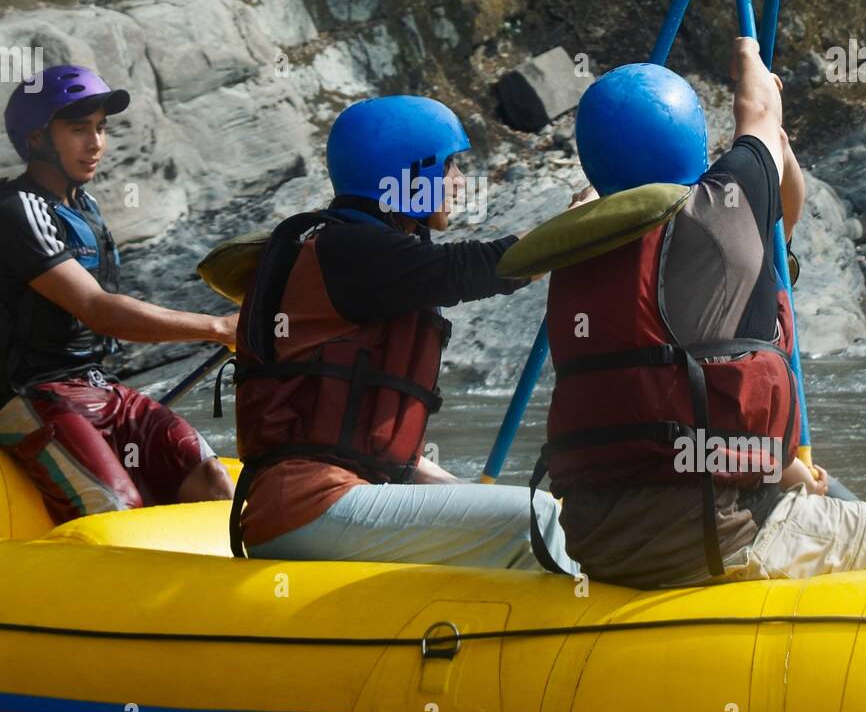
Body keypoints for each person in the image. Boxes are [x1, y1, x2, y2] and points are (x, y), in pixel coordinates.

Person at [541, 36, 866, 587]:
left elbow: (779, 208)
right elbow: (757, 114)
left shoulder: (576, 241)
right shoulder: (719, 216)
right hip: (715, 536)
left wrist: (786, 470)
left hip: (595, 543)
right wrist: (749, 56)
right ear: (691, 140)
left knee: (817, 489)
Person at [230, 94, 578, 573]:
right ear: (407, 174)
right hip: (310, 509)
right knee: (533, 517)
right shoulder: (351, 252)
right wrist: (582, 223)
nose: (460, 182)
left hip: (338, 504)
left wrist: (465, 494)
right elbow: (486, 266)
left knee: (531, 512)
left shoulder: (362, 253)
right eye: (449, 166)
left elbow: (383, 453)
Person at [0, 64, 237, 523]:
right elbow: (98, 310)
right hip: (30, 395)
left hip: (99, 387)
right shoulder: (16, 210)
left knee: (212, 480)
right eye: (78, 129)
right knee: (114, 508)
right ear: (36, 138)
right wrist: (218, 327)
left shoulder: (84, 206)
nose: (96, 144)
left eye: (101, 128)